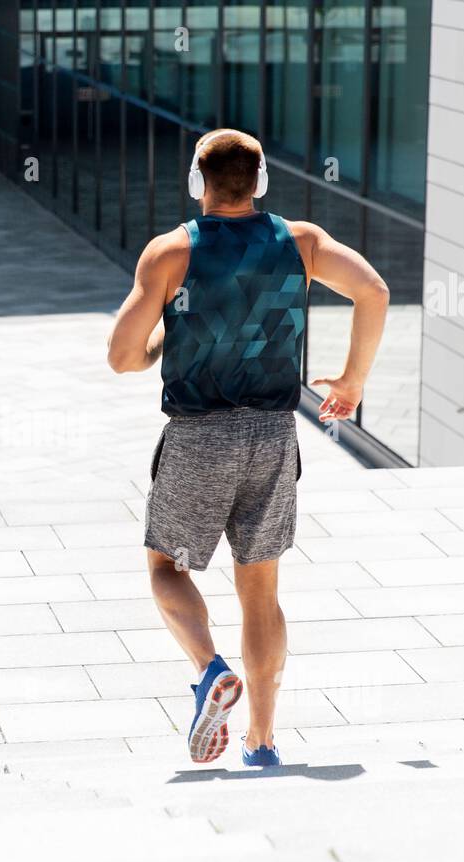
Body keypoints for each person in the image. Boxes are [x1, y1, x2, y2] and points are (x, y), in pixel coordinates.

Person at [107, 129, 388, 767]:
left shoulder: (172, 251)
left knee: (167, 570)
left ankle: (211, 673)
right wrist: (352, 381)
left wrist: (161, 342)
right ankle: (262, 741)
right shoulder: (303, 242)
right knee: (259, 592)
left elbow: (122, 356)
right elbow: (374, 291)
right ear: (260, 181)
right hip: (272, 435)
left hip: (199, 436)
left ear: (195, 181)